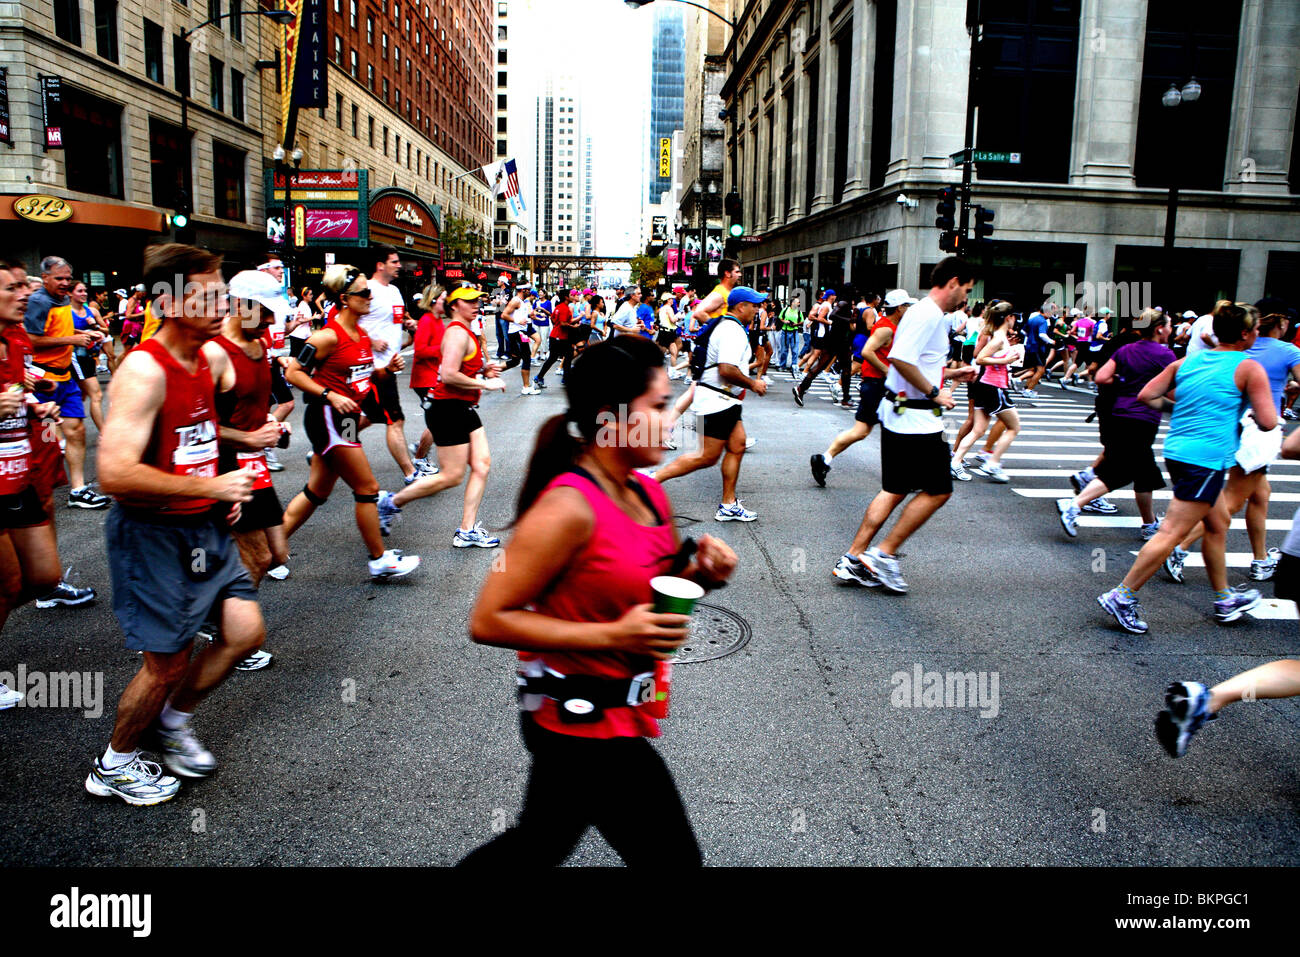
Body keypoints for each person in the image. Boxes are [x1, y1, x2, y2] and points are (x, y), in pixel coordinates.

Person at [457, 335, 737, 866]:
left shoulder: (646, 491)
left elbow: (645, 588)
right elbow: (488, 619)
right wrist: (612, 635)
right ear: (613, 417)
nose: (673, 421)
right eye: (659, 407)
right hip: (577, 720)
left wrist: (701, 576)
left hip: (619, 710)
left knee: (537, 844)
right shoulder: (567, 505)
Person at [87, 244, 267, 805]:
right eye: (207, 293)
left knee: (243, 634)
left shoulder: (209, 357)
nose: (221, 304)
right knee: (166, 663)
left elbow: (198, 434)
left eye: (222, 292)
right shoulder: (143, 368)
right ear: (167, 301)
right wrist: (209, 486)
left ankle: (170, 722)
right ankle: (113, 764)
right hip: (152, 535)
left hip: (204, 526)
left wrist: (229, 466)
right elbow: (114, 471)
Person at [1096, 301, 1276, 635]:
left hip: (1180, 451)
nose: (1256, 335)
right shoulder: (1249, 367)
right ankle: (1122, 595)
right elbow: (1267, 422)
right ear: (1244, 334)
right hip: (1206, 459)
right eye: (1254, 330)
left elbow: (1147, 395)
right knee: (1171, 532)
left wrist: (1183, 411)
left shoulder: (1189, 360)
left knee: (1218, 522)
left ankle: (1224, 598)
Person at [831, 257, 978, 594]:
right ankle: (884, 554)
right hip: (916, 418)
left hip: (904, 413)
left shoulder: (926, 314)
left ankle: (854, 559)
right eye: (967, 290)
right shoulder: (927, 314)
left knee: (895, 489)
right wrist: (935, 392)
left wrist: (953, 373)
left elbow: (914, 362)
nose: (966, 299)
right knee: (939, 490)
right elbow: (900, 359)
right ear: (953, 282)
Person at [280, 264, 420, 580]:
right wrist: (329, 394)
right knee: (368, 487)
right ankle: (379, 560)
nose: (370, 296)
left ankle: (272, 547)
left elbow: (362, 377)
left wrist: (388, 369)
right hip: (326, 417)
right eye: (364, 292)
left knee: (317, 491)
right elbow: (293, 373)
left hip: (345, 419)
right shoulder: (327, 336)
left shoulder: (362, 334)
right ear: (345, 298)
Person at [201, 269, 297, 670]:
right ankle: (232, 637)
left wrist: (275, 428)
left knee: (277, 554)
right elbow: (197, 428)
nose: (274, 322)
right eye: (266, 312)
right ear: (239, 305)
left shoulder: (261, 348)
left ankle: (209, 608)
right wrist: (248, 439)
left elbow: (258, 413)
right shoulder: (216, 353)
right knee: (257, 558)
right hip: (227, 468)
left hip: (255, 466)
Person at [1164, 310, 1300, 583]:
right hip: (1260, 427)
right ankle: (1179, 547)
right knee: (1234, 500)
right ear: (1282, 322)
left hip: (1232, 425)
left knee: (1260, 495)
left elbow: (1164, 389)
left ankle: (1259, 560)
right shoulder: (1285, 351)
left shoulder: (1227, 350)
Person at [377, 286, 506, 548]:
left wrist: (484, 367)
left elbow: (461, 365)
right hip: (448, 409)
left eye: (477, 301)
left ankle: (466, 530)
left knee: (481, 465)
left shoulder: (465, 331)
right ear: (455, 306)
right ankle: (390, 503)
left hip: (462, 407)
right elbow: (448, 375)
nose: (475, 305)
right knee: (452, 476)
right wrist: (485, 383)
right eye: (468, 302)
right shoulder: (458, 333)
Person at [0, 261, 67, 709]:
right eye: (13, 287)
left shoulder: (18, 336)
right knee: (7, 584)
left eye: (26, 284)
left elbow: (16, 390)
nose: (26, 292)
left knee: (43, 577)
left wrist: (32, 403)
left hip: (19, 474)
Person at [1056, 309, 1176, 538]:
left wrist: (1125, 383)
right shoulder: (1165, 355)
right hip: (1144, 418)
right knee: (1122, 472)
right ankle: (1073, 505)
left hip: (1119, 413)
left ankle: (1149, 524)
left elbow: (1101, 377)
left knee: (1145, 474)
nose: (1171, 330)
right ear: (1159, 328)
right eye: (1169, 325)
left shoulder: (1126, 349)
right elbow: (1172, 392)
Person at [652, 286, 768, 521]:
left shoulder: (731, 327)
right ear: (740, 306)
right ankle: (650, 480)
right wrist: (752, 384)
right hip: (717, 399)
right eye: (754, 305)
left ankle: (729, 504)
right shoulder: (731, 330)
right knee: (706, 457)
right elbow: (726, 369)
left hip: (725, 399)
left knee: (737, 446)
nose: (757, 309)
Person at [25, 256, 110, 509]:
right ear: (45, 278)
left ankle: (78, 490)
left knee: (76, 431)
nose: (64, 283)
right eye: (58, 278)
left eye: (66, 278)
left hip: (66, 376)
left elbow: (58, 333)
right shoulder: (38, 302)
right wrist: (72, 341)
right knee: (48, 437)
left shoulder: (63, 301)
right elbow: (31, 340)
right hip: (43, 378)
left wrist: (83, 334)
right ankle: (42, 488)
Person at [811, 289, 914, 487]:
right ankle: (896, 476)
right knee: (890, 429)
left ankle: (823, 459)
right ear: (899, 308)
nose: (909, 309)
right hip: (877, 386)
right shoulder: (886, 328)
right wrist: (887, 371)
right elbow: (867, 352)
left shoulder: (894, 326)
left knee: (863, 431)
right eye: (907, 306)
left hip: (881, 386)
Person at [356, 247, 421, 483]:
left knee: (372, 415)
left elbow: (398, 317)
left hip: (390, 366)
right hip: (372, 368)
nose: (399, 265)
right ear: (379, 265)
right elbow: (349, 323)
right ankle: (410, 473)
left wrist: (409, 323)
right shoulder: (366, 290)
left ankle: (330, 447)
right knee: (395, 419)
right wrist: (371, 341)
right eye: (394, 261)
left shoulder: (394, 291)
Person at [949, 302, 1022, 484]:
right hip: (994, 387)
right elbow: (980, 358)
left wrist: (1006, 356)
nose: (1015, 321)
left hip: (987, 386)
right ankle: (993, 463)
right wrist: (1006, 360)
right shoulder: (998, 337)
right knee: (1014, 427)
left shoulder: (1000, 336)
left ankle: (955, 461)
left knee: (979, 430)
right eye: (1014, 317)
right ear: (1008, 318)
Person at [63, 281, 108, 434]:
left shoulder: (92, 311)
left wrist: (94, 326)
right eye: (79, 291)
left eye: (85, 291)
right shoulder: (65, 312)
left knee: (80, 395)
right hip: (74, 356)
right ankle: (104, 433)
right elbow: (62, 331)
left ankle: (71, 426)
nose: (84, 294)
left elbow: (106, 331)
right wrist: (85, 333)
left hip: (89, 356)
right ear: (69, 293)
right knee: (96, 393)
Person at [536, 288, 579, 389]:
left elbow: (553, 318)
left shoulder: (559, 307)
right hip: (561, 337)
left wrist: (557, 325)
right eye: (570, 294)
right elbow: (564, 323)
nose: (572, 296)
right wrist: (573, 327)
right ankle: (565, 378)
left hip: (555, 336)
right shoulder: (564, 308)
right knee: (567, 356)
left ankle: (539, 377)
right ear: (566, 297)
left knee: (555, 358)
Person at [500, 284, 540, 394]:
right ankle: (526, 387)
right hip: (517, 333)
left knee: (515, 361)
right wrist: (517, 321)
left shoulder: (521, 302)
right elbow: (504, 315)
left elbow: (518, 315)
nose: (530, 292)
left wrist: (529, 316)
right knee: (526, 358)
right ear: (523, 290)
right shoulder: (515, 301)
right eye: (528, 290)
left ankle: (491, 371)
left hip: (520, 333)